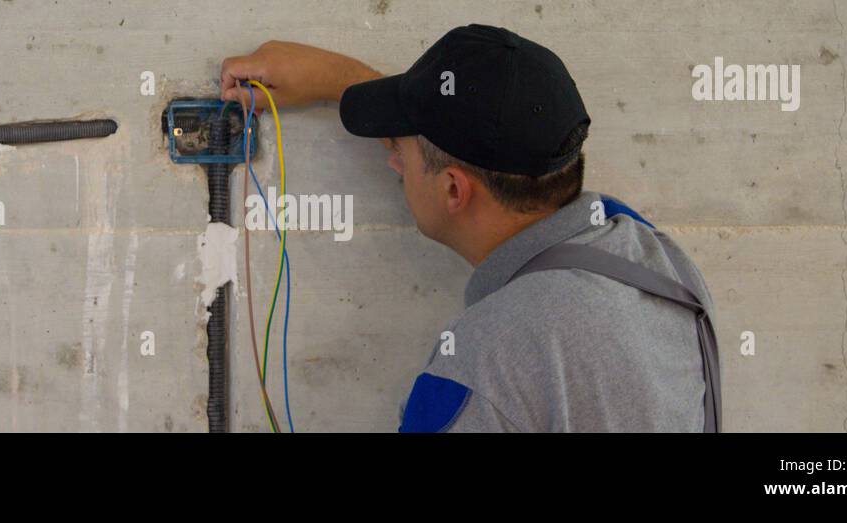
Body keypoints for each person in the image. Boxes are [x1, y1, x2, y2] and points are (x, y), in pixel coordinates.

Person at [220, 24, 721, 432]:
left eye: (404, 152)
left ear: (455, 191)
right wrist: (339, 78)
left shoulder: (480, 366)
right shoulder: (651, 256)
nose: (394, 160)